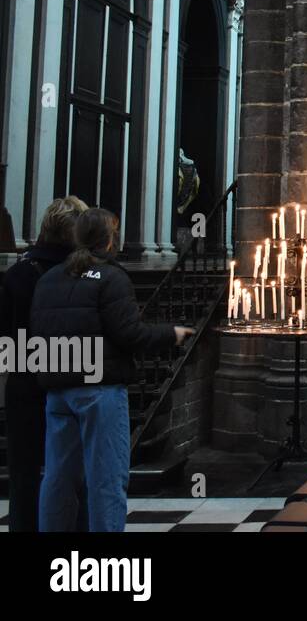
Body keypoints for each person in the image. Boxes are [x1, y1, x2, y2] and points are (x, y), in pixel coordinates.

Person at [29, 208, 193, 532]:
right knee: (106, 480)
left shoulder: (50, 278)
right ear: (107, 240)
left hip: (59, 390)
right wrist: (170, 334)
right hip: (98, 390)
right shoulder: (111, 277)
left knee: (58, 479)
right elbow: (130, 333)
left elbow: (38, 332)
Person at [0, 196, 88, 531]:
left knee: (24, 474)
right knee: (73, 473)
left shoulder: (19, 273)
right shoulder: (84, 276)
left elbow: (6, 335)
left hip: (26, 382)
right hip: (73, 378)